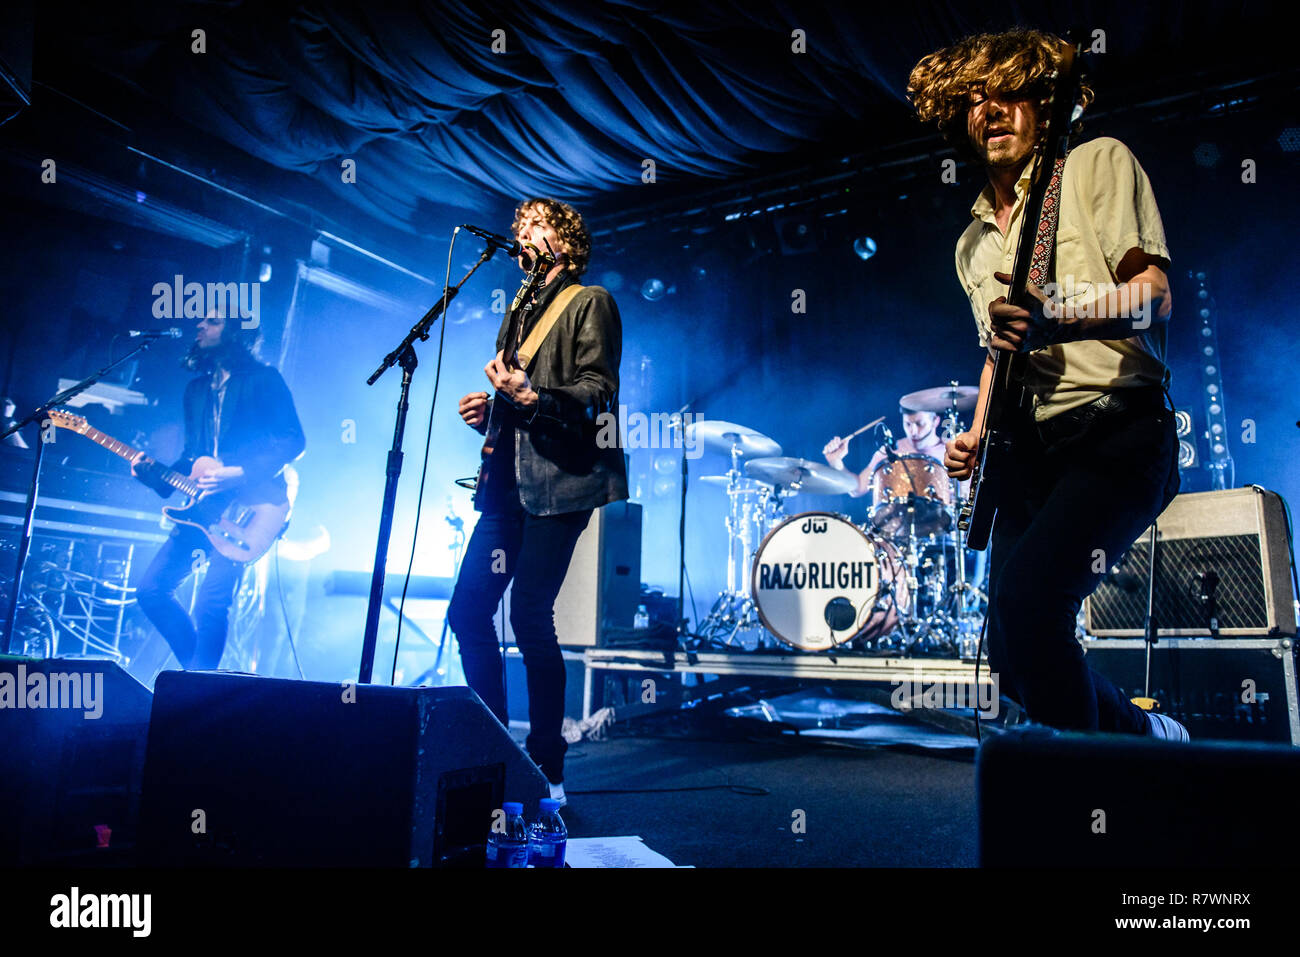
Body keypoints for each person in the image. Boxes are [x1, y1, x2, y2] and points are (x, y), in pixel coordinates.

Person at [908, 28, 1186, 738]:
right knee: (1009, 648)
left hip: (1118, 431)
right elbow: (999, 349)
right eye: (974, 100)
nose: (990, 110)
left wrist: (1054, 315)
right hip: (1031, 452)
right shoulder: (971, 241)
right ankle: (1142, 735)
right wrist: (973, 431)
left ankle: (1084, 809)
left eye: (1008, 93)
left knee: (1034, 601)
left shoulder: (1095, 164)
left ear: (1044, 102)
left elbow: (1153, 295)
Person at [448, 198, 628, 804]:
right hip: (506, 483)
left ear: (567, 241)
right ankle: (494, 744)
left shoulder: (590, 302)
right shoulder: (516, 315)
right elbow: (516, 398)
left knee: (528, 615)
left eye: (539, 225)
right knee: (468, 613)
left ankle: (547, 766)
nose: (525, 234)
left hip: (562, 482)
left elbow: (597, 393)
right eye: (521, 227)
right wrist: (490, 413)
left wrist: (531, 398)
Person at [132, 310, 305, 671]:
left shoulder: (263, 380)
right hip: (203, 508)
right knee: (151, 590)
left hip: (249, 507)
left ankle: (199, 682)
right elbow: (191, 459)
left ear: (236, 333)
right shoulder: (196, 389)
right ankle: (199, 675)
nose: (200, 326)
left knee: (211, 600)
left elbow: (293, 439)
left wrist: (238, 474)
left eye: (212, 322)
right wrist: (153, 475)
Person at [822, 407, 946, 498]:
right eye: (907, 424)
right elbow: (858, 488)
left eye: (920, 424)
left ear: (935, 421)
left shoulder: (954, 451)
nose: (912, 431)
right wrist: (836, 462)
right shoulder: (890, 450)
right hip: (900, 527)